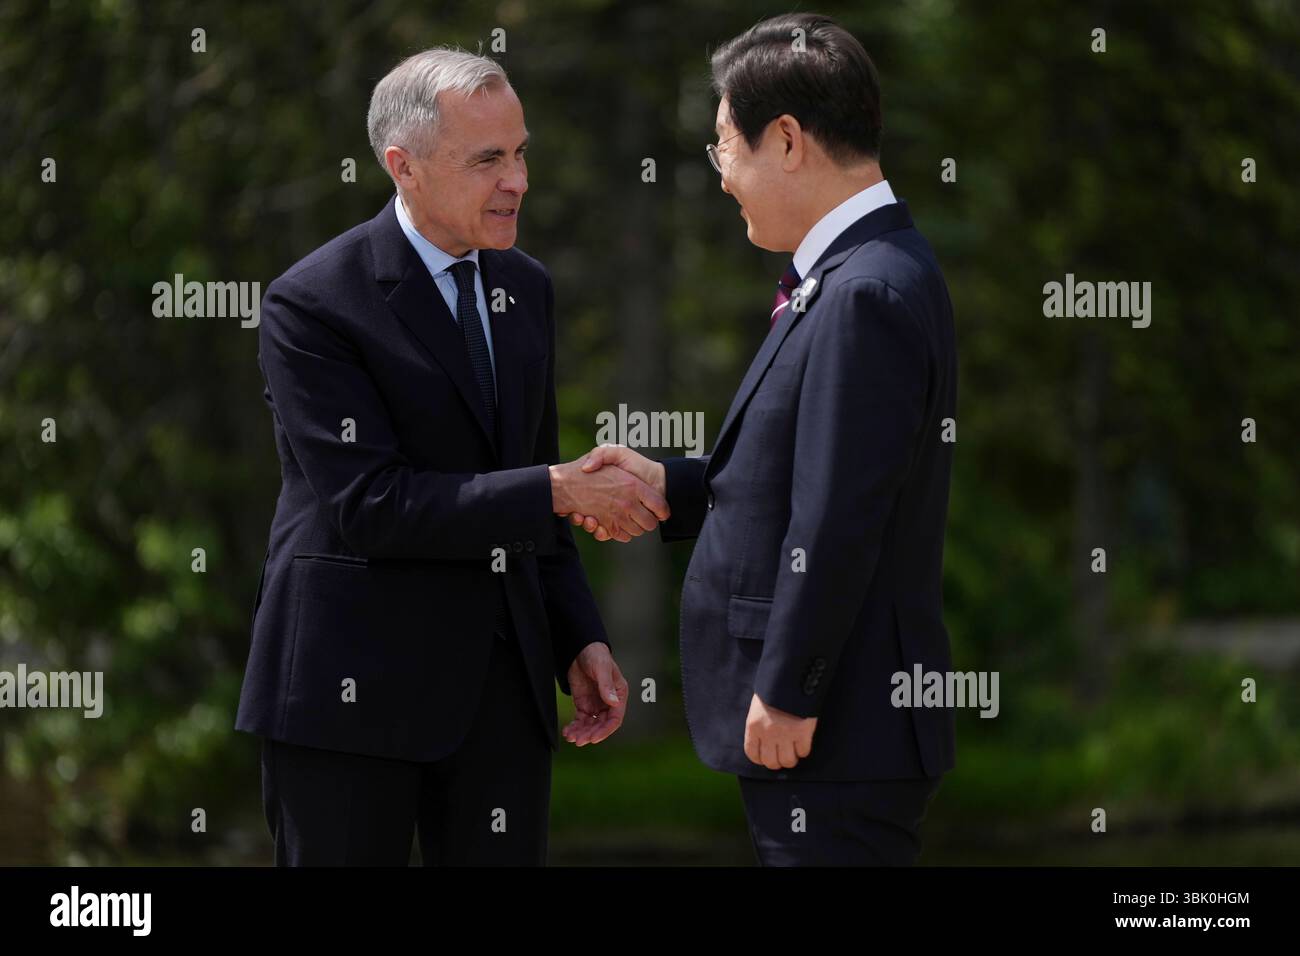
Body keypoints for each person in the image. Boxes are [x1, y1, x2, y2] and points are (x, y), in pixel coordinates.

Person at [234, 47, 668, 866]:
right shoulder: (311, 302)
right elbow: (373, 507)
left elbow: (533, 482)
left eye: (521, 151)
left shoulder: (527, 287)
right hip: (345, 696)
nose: (519, 181)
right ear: (404, 167)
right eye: (488, 159)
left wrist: (580, 638)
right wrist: (553, 488)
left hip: (500, 696)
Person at [571, 13, 958, 866]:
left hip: (835, 725)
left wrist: (788, 688)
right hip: (837, 728)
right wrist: (670, 487)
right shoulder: (861, 273)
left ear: (785, 139)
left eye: (723, 148)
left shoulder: (863, 294)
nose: (721, 178)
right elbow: (804, 471)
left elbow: (839, 517)